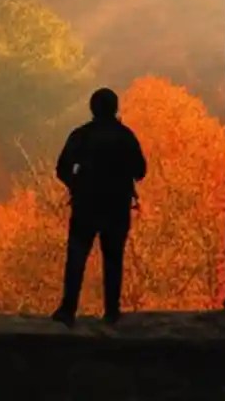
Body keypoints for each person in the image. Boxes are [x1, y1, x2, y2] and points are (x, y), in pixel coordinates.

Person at [50, 87, 147, 328]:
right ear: (115, 108)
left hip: (86, 206)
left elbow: (62, 167)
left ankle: (68, 309)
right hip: (116, 207)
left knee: (76, 257)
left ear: (92, 108)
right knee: (113, 259)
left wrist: (77, 184)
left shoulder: (81, 135)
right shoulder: (126, 136)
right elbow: (141, 171)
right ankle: (112, 312)